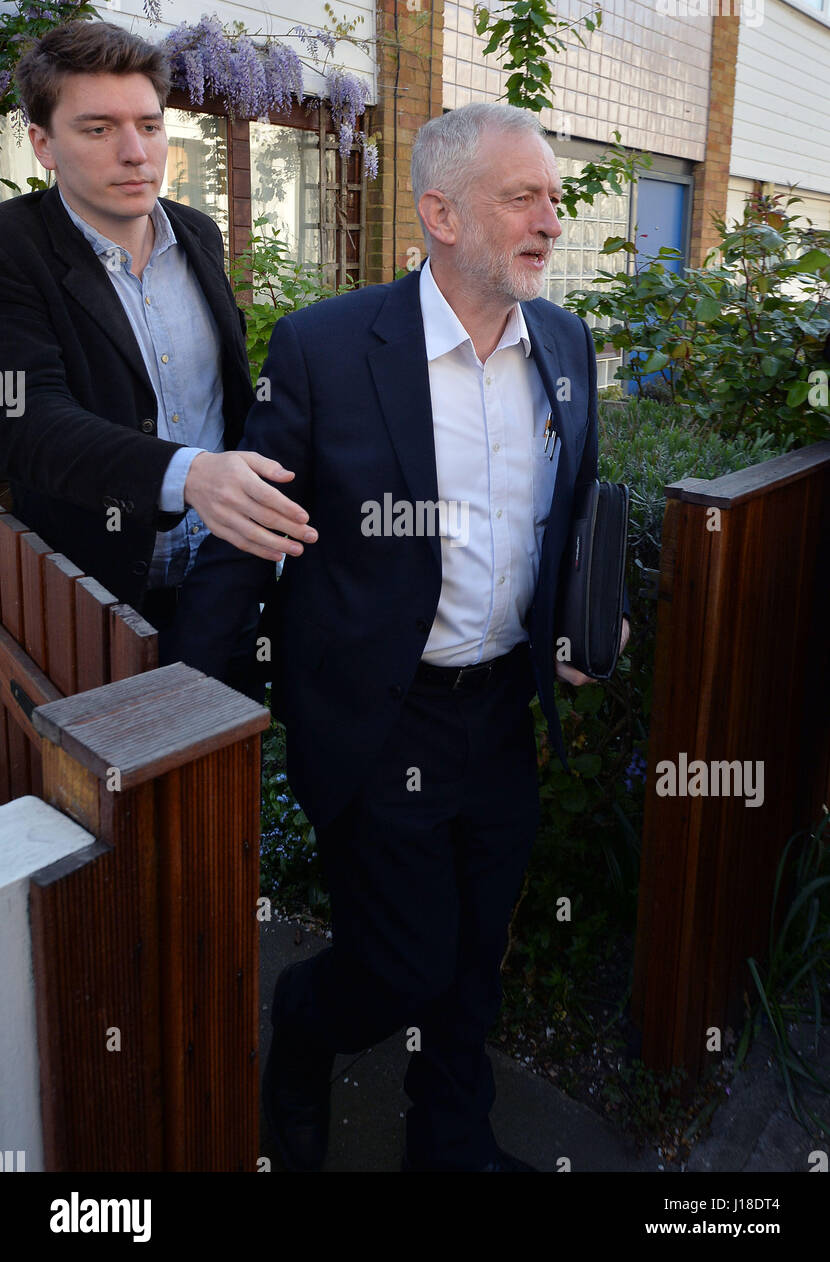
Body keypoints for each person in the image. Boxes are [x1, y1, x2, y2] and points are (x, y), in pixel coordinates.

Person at [164, 101, 630, 1172]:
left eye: (552, 199)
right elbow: (246, 537)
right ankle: (302, 1024)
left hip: (502, 709)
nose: (549, 221)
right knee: (402, 961)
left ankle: (450, 1144)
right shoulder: (327, 347)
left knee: (474, 956)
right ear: (441, 213)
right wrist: (187, 703)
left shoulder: (560, 342)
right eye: (523, 197)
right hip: (379, 719)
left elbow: (571, 507)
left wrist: (585, 611)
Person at [0, 20, 316, 666]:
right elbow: (28, 422)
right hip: (91, 607)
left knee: (223, 764)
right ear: (43, 144)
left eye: (148, 125)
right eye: (98, 129)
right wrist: (188, 476)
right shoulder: (15, 248)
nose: (135, 153)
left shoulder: (198, 235)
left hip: (221, 593)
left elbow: (229, 400)